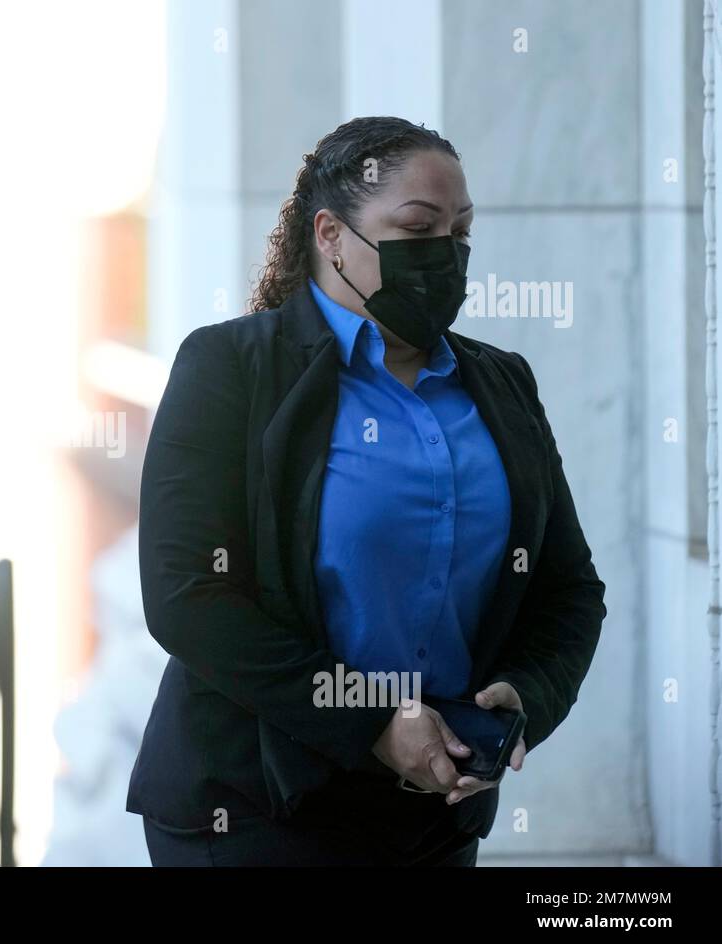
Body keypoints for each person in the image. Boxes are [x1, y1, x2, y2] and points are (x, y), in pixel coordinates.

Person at [125, 116, 607, 866]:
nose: (445, 253)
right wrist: (375, 720)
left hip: (434, 813)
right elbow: (188, 595)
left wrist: (527, 695)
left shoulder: (502, 382)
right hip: (254, 809)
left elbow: (568, 589)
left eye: (460, 230)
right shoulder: (230, 369)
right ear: (331, 235)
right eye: (418, 227)